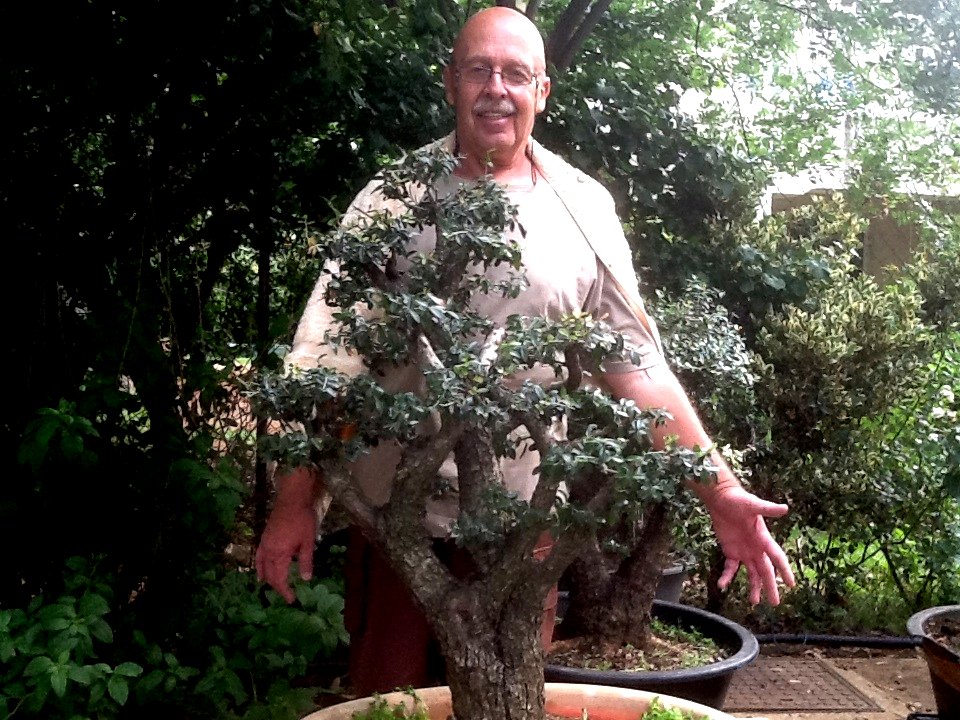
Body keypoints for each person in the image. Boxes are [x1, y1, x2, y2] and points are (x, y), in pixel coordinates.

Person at [256, 5, 796, 696]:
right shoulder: (391, 204)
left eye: (516, 73)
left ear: (542, 91)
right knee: (388, 701)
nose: (496, 88)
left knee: (505, 698)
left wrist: (719, 491)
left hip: (526, 521)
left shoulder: (582, 207)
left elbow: (637, 365)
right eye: (479, 70)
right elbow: (326, 360)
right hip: (400, 520)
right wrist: (297, 499)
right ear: (450, 81)